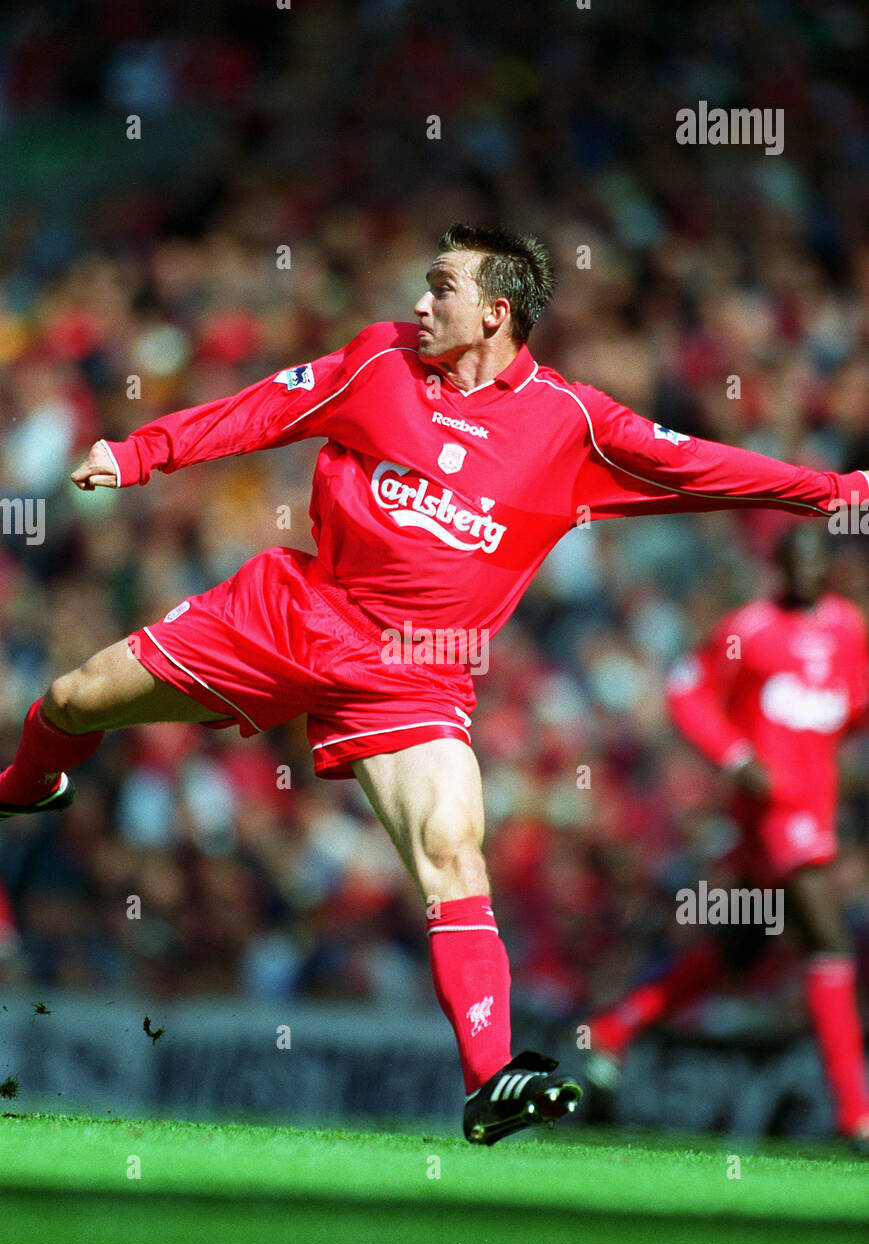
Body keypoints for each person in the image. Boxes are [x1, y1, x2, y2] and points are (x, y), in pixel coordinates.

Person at [1, 224, 867, 1145]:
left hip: (412, 679)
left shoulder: (568, 422)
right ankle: (24, 786)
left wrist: (826, 489)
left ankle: (489, 1079)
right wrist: (141, 453)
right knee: (76, 698)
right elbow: (263, 409)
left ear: (496, 312)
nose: (420, 303)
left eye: (440, 289)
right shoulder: (377, 362)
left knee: (454, 856)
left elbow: (692, 461)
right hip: (293, 616)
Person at [583, 526, 869, 1151]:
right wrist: (737, 756)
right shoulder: (751, 628)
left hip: (814, 806)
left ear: (830, 570)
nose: (805, 573)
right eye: (793, 561)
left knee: (743, 949)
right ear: (777, 566)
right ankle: (856, 1113)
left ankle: (614, 1028)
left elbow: (852, 705)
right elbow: (686, 691)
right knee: (826, 933)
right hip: (769, 810)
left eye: (817, 562)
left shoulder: (848, 628)